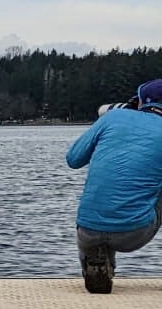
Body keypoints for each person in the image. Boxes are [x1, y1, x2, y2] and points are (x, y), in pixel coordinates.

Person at [65, 80, 162, 293]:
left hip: (88, 229)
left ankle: (96, 259)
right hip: (134, 232)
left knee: (110, 183)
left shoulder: (113, 117)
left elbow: (73, 159)